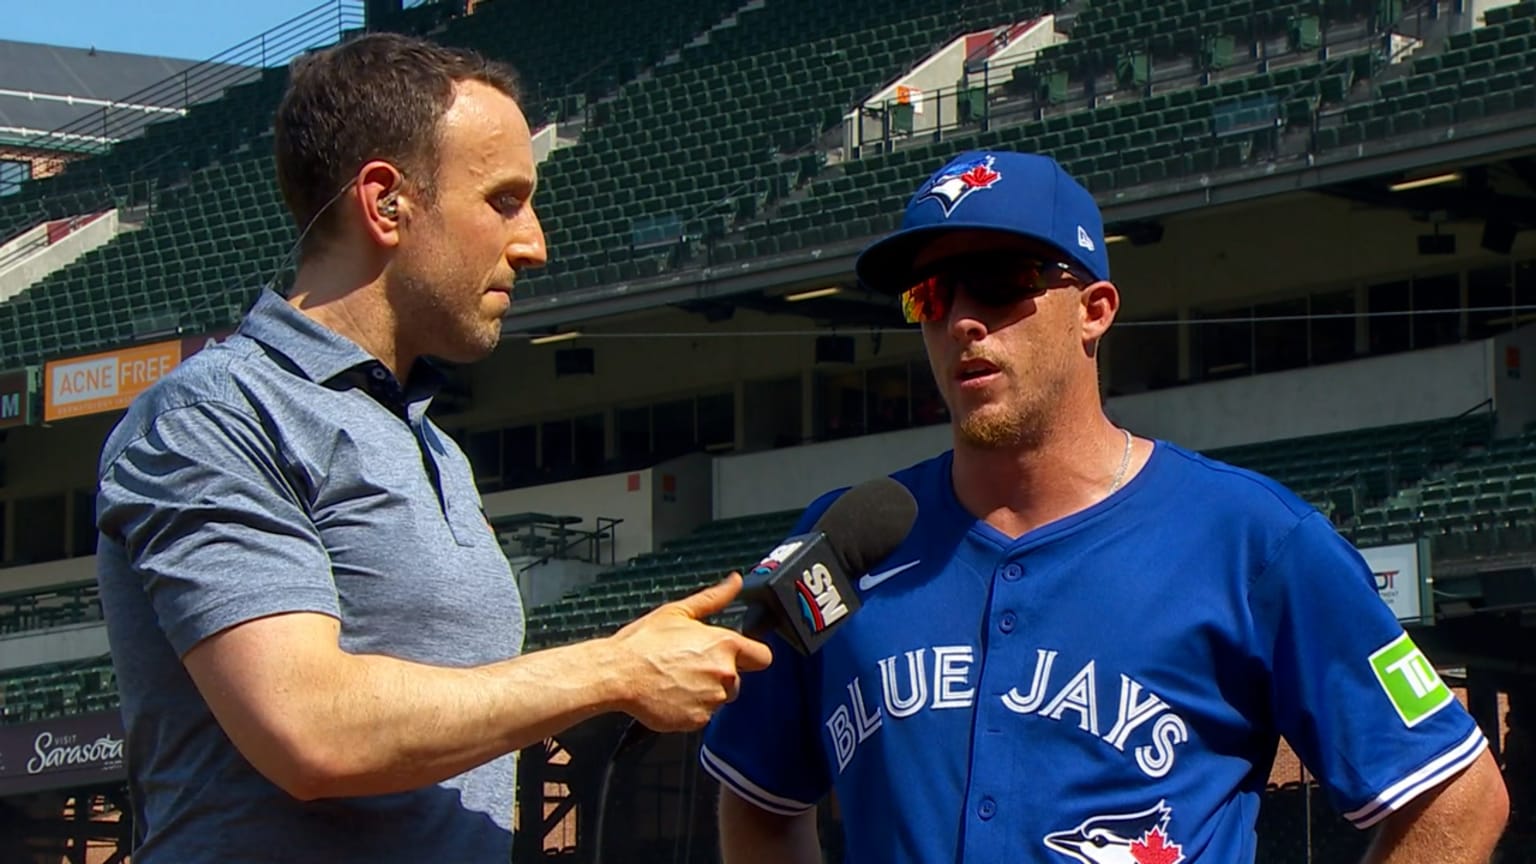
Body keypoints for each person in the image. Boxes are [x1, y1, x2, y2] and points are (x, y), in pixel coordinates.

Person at [702, 150, 1508, 863]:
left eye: (1002, 280)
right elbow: (761, 798)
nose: (963, 320)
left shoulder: (1253, 541)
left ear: (1095, 310)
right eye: (932, 295)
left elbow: (1458, 794)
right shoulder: (841, 542)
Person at [94, 33, 770, 863]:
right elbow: (310, 729)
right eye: (504, 201)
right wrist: (612, 671)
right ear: (385, 203)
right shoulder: (215, 413)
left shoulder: (431, 445)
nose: (534, 243)